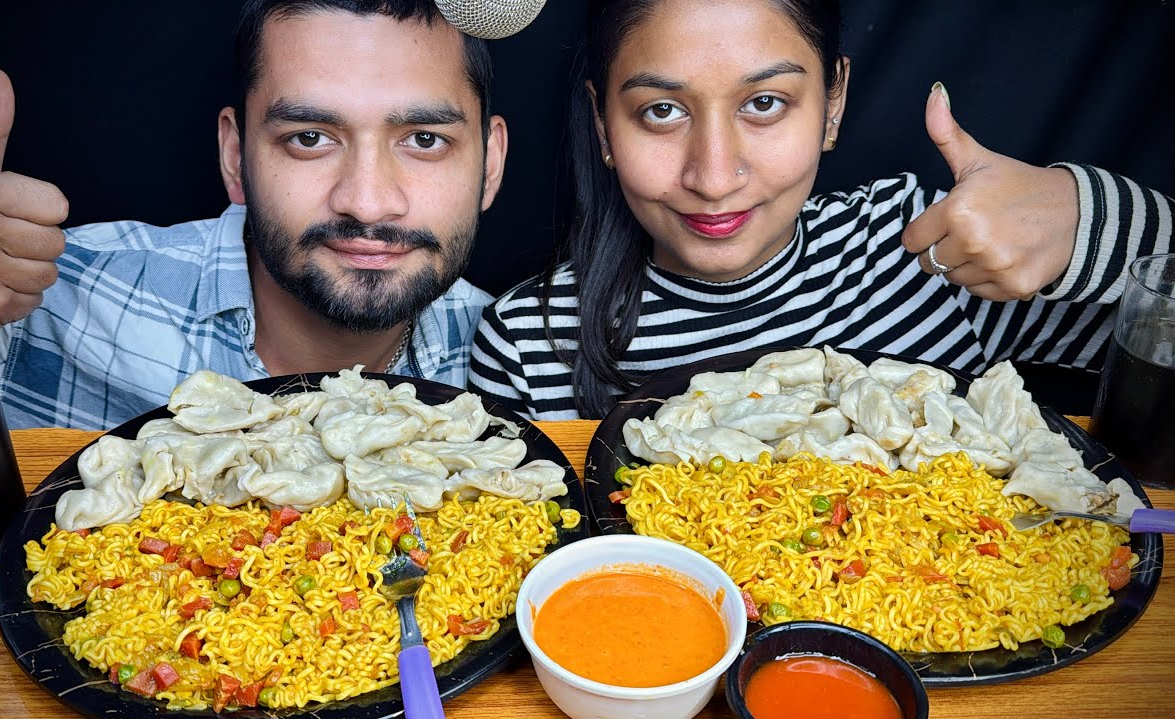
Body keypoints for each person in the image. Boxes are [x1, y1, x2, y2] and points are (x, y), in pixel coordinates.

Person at [466, 0, 1173, 420]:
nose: (714, 176)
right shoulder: (530, 346)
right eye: (660, 111)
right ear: (602, 128)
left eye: (765, 103)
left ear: (832, 103)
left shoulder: (927, 249)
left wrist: (1085, 218)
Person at [0, 0, 508, 430]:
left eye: (424, 139)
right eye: (310, 138)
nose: (368, 201)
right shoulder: (44, 297)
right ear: (236, 157)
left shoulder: (519, 358)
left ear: (489, 163)